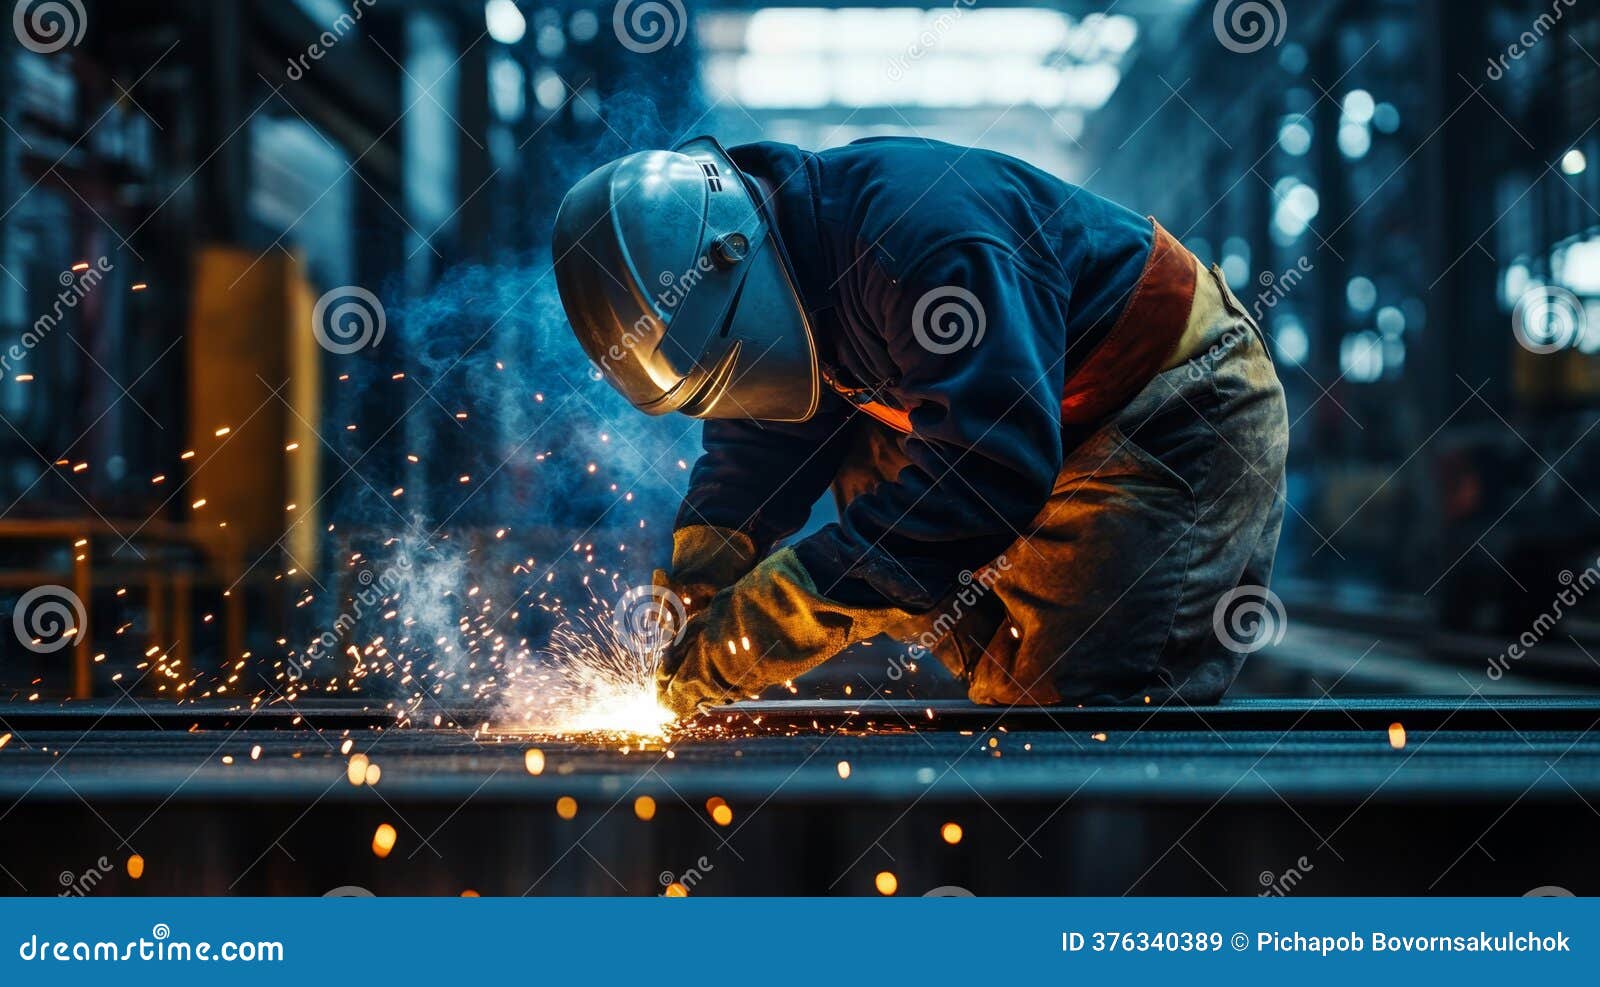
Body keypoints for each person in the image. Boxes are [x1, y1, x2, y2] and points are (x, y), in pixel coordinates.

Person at [552, 135, 1287, 719]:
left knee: (1083, 707)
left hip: (1165, 408)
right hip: (1021, 422)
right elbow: (767, 428)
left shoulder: (926, 248)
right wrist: (706, 566)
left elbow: (989, 471)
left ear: (729, 258)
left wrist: (785, 608)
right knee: (1010, 683)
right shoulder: (793, 258)